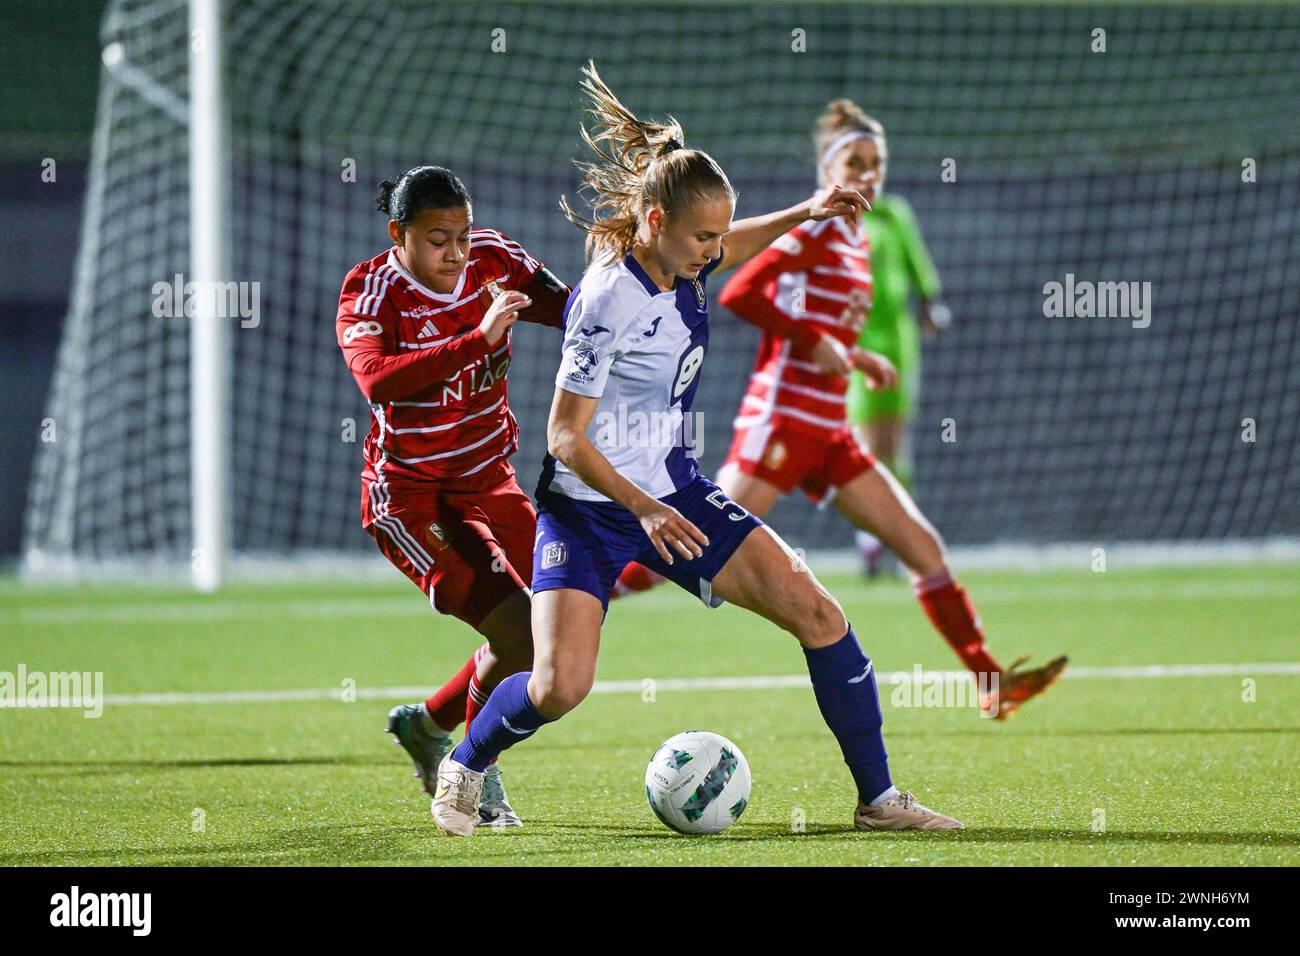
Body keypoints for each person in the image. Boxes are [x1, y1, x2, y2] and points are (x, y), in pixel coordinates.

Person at [429, 65, 962, 837]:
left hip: (675, 492)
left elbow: (728, 245)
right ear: (651, 222)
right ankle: (466, 763)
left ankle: (878, 801)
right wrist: (640, 509)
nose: (713, 252)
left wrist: (810, 210)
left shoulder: (680, 257)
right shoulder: (607, 300)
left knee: (817, 609)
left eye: (717, 236)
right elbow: (563, 438)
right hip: (590, 512)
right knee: (558, 686)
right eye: (701, 238)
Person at [613, 99, 1068, 719]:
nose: (869, 172)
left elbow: (826, 327)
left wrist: (855, 360)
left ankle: (989, 680)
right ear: (828, 168)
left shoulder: (859, 236)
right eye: (855, 161)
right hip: (781, 422)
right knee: (689, 549)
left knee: (923, 546)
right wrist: (814, 340)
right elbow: (742, 290)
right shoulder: (820, 227)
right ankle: (586, 588)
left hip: (829, 430)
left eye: (877, 162)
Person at [335, 165, 569, 827]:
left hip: (487, 479)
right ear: (397, 234)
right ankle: (474, 770)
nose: (456, 252)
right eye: (438, 238)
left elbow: (572, 310)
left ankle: (428, 723)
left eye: (462, 234)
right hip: (409, 498)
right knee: (519, 632)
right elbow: (377, 380)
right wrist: (477, 340)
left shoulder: (495, 260)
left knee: (565, 613)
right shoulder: (371, 289)